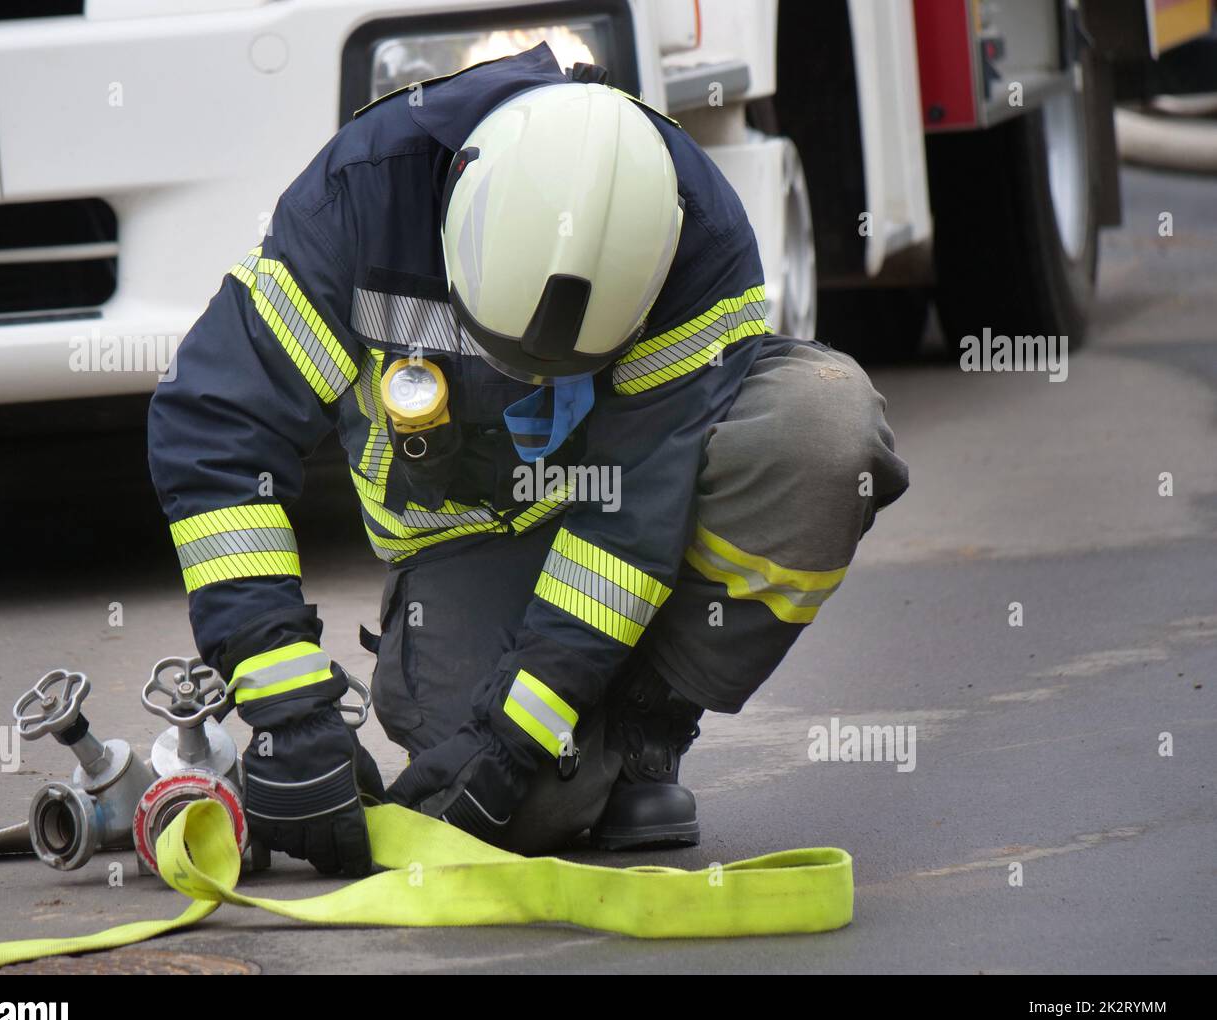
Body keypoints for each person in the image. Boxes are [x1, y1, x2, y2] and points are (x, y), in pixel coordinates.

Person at [147, 44, 908, 876]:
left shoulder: (694, 230)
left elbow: (629, 520)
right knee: (516, 816)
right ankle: (580, 763)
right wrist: (290, 710)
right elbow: (214, 426)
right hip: (459, 546)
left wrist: (517, 735)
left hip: (624, 526)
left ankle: (647, 727)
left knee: (825, 429)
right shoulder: (360, 202)